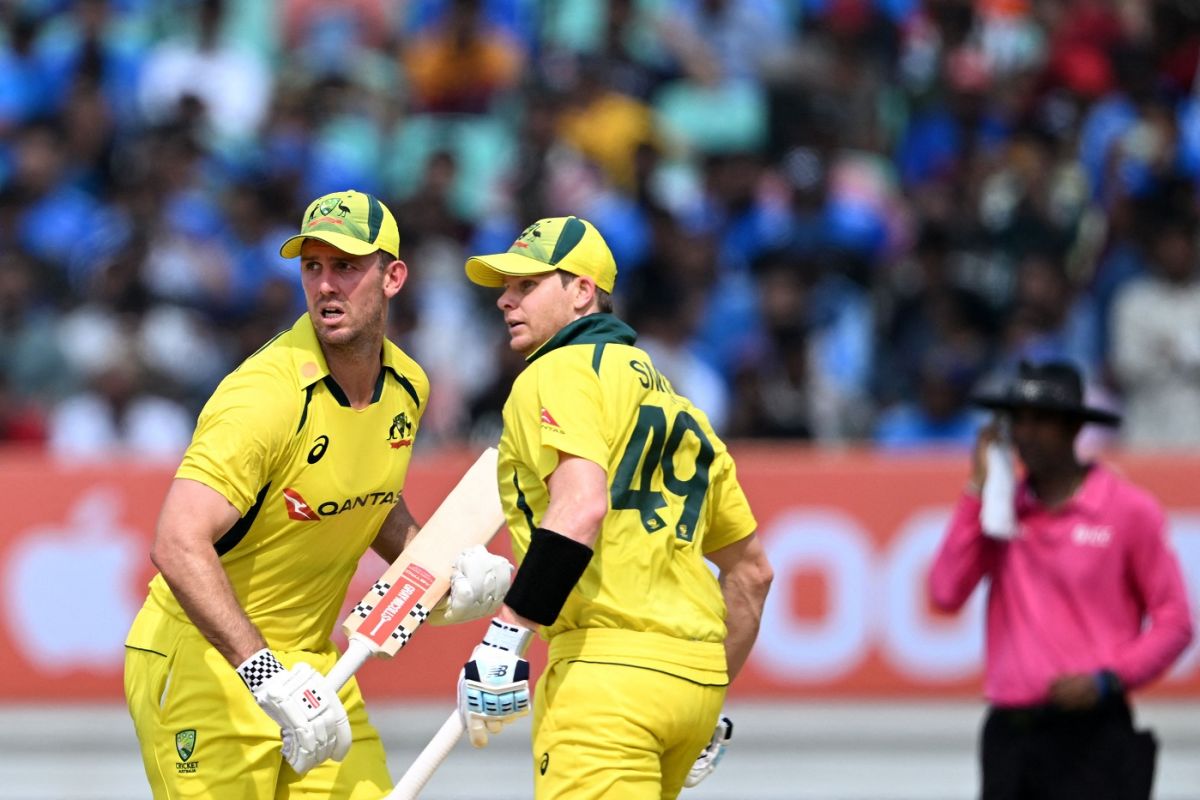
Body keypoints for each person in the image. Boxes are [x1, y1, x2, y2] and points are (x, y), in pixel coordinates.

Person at [123, 189, 512, 799]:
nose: (326, 285)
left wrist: (444, 574)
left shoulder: (407, 386)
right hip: (209, 662)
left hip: (313, 666)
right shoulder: (263, 397)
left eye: (347, 266)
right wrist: (265, 676)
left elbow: (369, 498)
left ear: (393, 277)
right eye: (313, 266)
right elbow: (176, 544)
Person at [454, 215, 774, 799]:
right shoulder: (678, 403)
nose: (504, 300)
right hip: (696, 684)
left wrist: (505, 637)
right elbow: (752, 574)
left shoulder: (556, 370)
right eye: (506, 287)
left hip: (603, 682)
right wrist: (706, 693)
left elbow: (581, 507)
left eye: (527, 285)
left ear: (582, 291)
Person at [928, 360, 1194, 800]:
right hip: (1011, 736)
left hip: (1092, 736)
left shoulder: (1126, 510)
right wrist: (977, 489)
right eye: (1018, 420)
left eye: (1040, 420)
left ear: (1073, 427)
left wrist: (1108, 680)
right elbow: (944, 593)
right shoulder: (1001, 510)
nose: (1025, 433)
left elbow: (1176, 622)